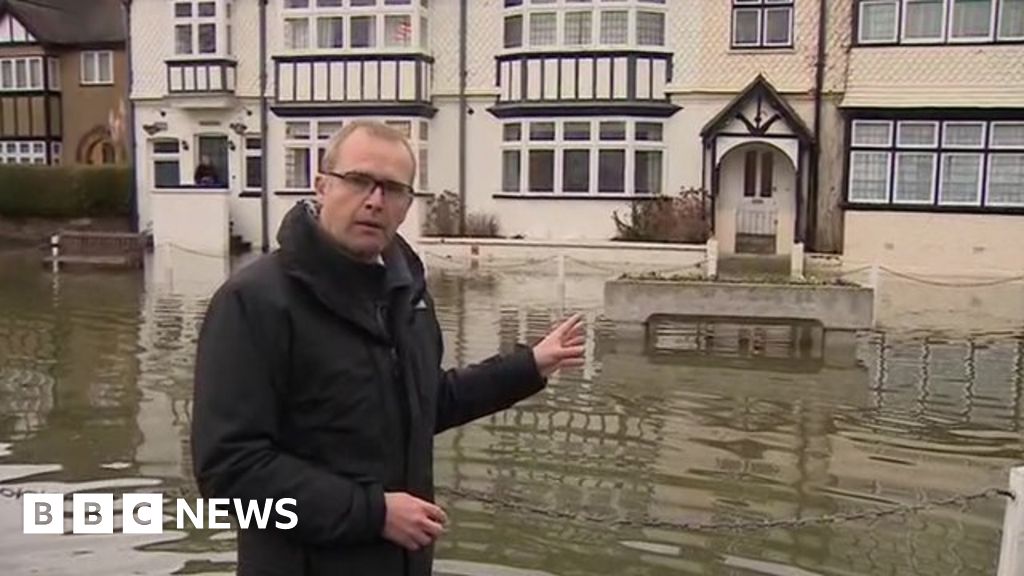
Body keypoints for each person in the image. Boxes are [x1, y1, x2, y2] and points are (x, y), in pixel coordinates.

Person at [191, 120, 585, 576]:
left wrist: (528, 366)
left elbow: (422, 406)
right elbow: (229, 472)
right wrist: (372, 512)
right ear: (321, 186)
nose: (375, 201)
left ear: (406, 205)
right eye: (358, 181)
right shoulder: (255, 301)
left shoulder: (407, 296)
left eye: (393, 189)